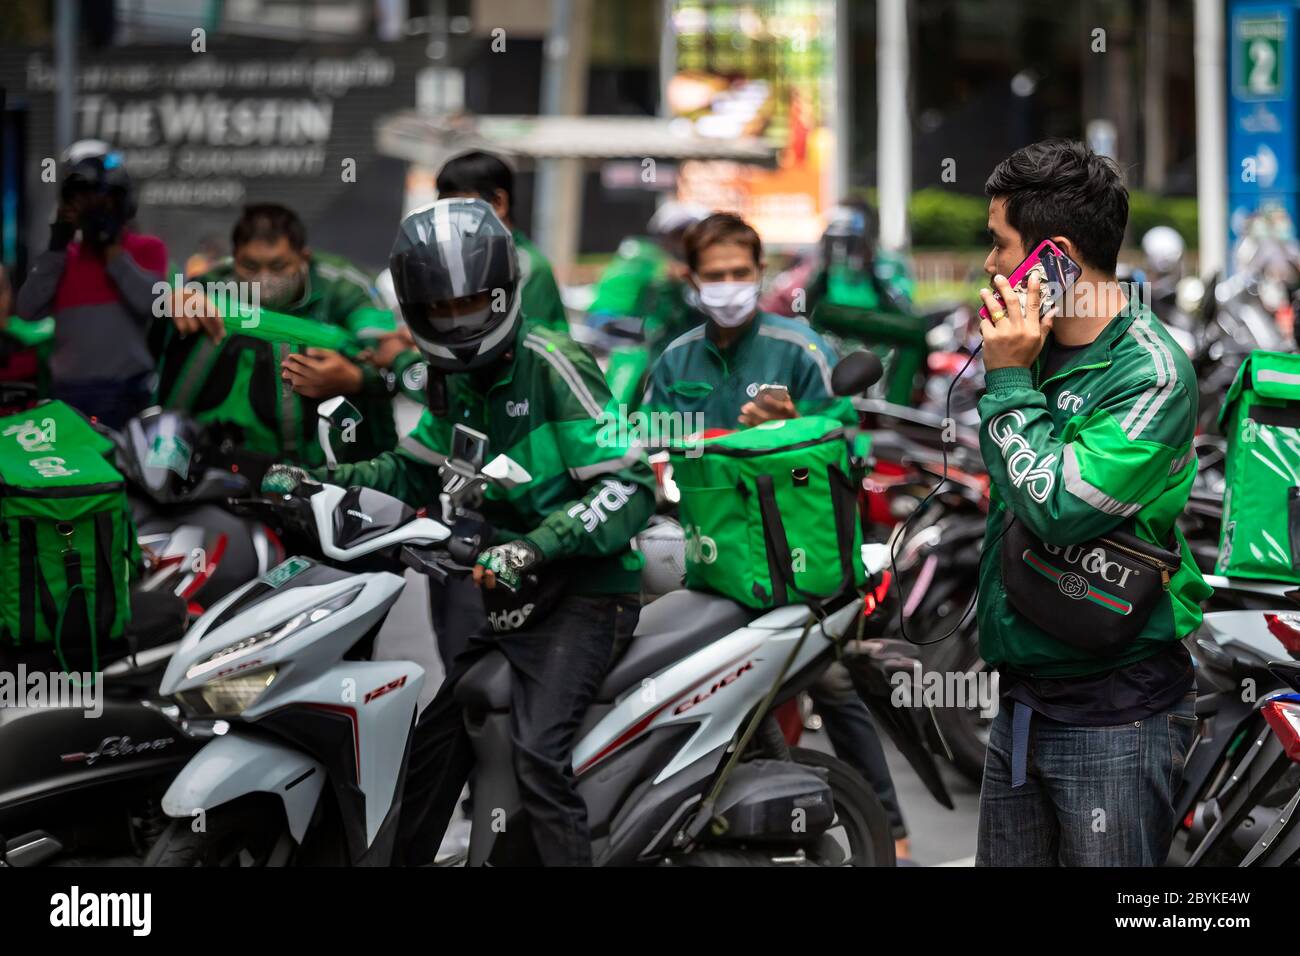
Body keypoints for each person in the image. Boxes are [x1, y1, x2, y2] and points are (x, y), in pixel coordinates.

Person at [264, 198, 655, 866]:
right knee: (432, 753)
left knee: (539, 758)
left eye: (470, 304)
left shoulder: (552, 364)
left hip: (585, 597)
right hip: (512, 601)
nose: (457, 322)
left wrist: (537, 544)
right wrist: (311, 481)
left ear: (504, 291)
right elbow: (414, 473)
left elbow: (630, 484)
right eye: (439, 311)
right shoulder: (452, 381)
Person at [642, 211, 911, 856]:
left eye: (740, 273)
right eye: (715, 275)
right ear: (691, 279)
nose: (728, 285)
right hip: (708, 553)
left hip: (798, 553)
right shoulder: (674, 360)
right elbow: (644, 442)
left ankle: (889, 825)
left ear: (758, 274)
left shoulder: (802, 350)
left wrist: (791, 425)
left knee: (833, 679)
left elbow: (844, 444)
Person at [973, 140, 1209, 866]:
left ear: (1054, 256)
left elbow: (1059, 507)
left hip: (1115, 711)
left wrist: (1008, 383)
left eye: (998, 244)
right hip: (1022, 697)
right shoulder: (1032, 344)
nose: (988, 265)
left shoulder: (1151, 371)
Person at [156, 203, 400, 467]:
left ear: (304, 258)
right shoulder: (212, 286)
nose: (264, 279)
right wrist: (175, 298)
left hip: (334, 459)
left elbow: (387, 352)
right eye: (249, 266)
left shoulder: (345, 287)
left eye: (278, 266)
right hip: (226, 450)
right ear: (233, 258)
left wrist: (356, 379)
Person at [14, 142, 167, 428]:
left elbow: (152, 305)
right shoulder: (61, 259)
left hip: (128, 392)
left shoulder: (146, 249)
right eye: (82, 199)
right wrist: (57, 246)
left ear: (119, 201)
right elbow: (26, 309)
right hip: (69, 397)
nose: (94, 209)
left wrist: (113, 251)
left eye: (101, 200)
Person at [434, 150, 568, 332]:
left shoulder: (525, 267)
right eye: (444, 209)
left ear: (498, 203)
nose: (450, 219)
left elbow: (515, 342)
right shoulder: (471, 260)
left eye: (459, 208)